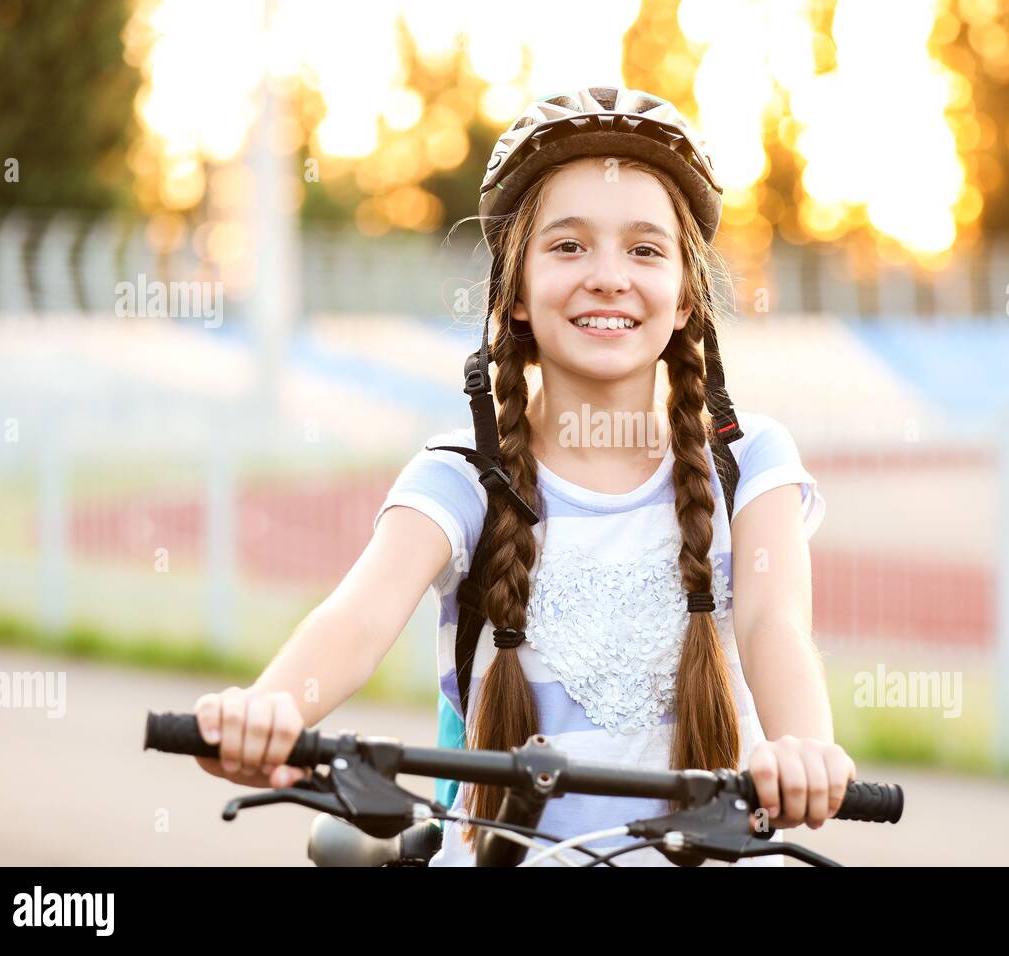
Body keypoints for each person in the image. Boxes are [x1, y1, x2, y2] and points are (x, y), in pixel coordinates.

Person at [192, 85, 854, 867]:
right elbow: (356, 621)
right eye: (568, 246)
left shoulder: (747, 463)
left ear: (684, 300)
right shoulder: (461, 478)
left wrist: (804, 748)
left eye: (645, 250)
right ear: (513, 295)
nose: (608, 276)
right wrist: (268, 710)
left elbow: (775, 624)